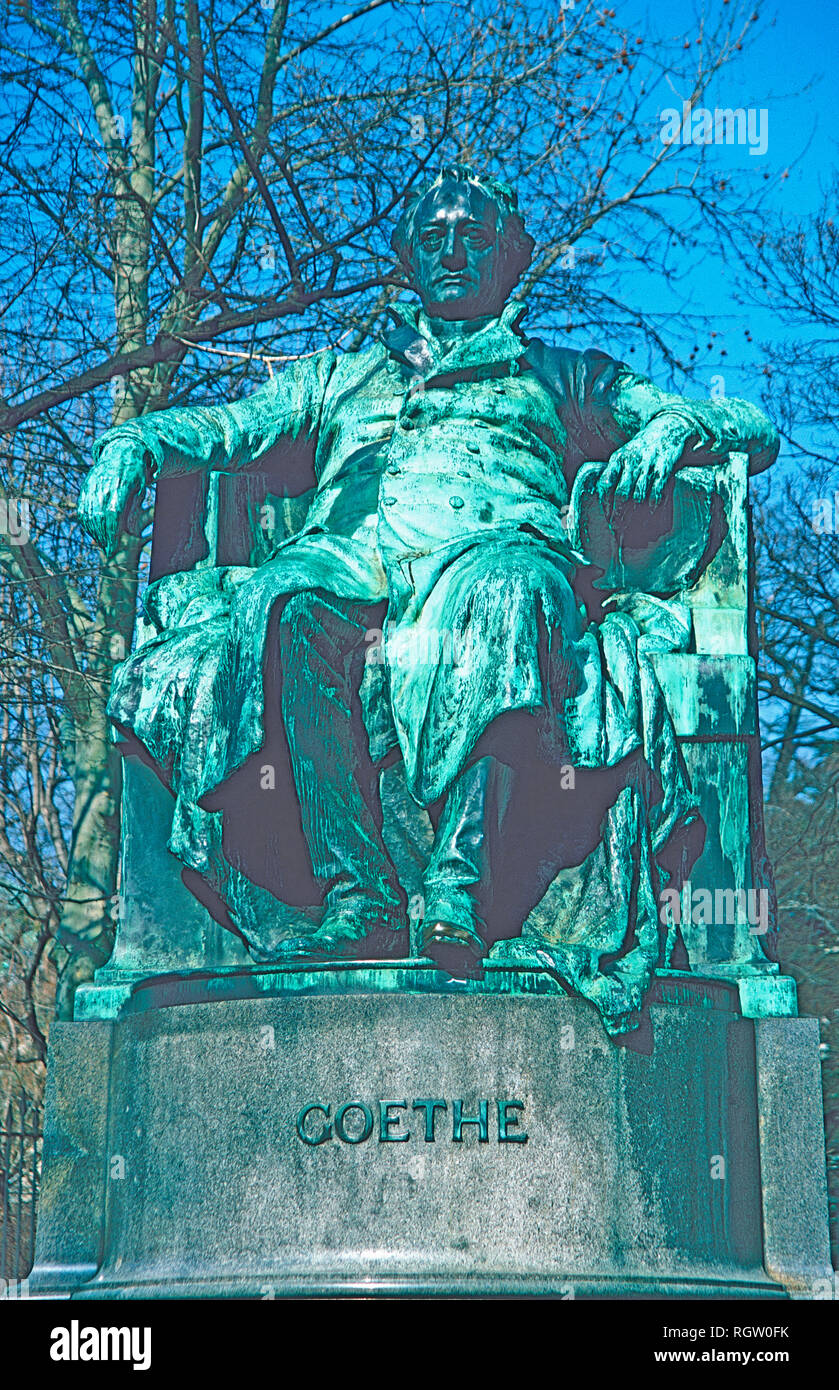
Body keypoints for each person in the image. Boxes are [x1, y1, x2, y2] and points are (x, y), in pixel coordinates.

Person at [77, 165, 778, 1029]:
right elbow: (224, 429)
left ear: (513, 256)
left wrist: (674, 426)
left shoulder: (558, 375)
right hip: (358, 573)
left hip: (502, 560)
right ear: (405, 256)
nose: (451, 251)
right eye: (433, 237)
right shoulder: (341, 377)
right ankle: (359, 893)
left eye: (474, 235)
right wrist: (132, 441)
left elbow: (753, 428)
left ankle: (460, 880)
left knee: (504, 590)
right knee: (290, 609)